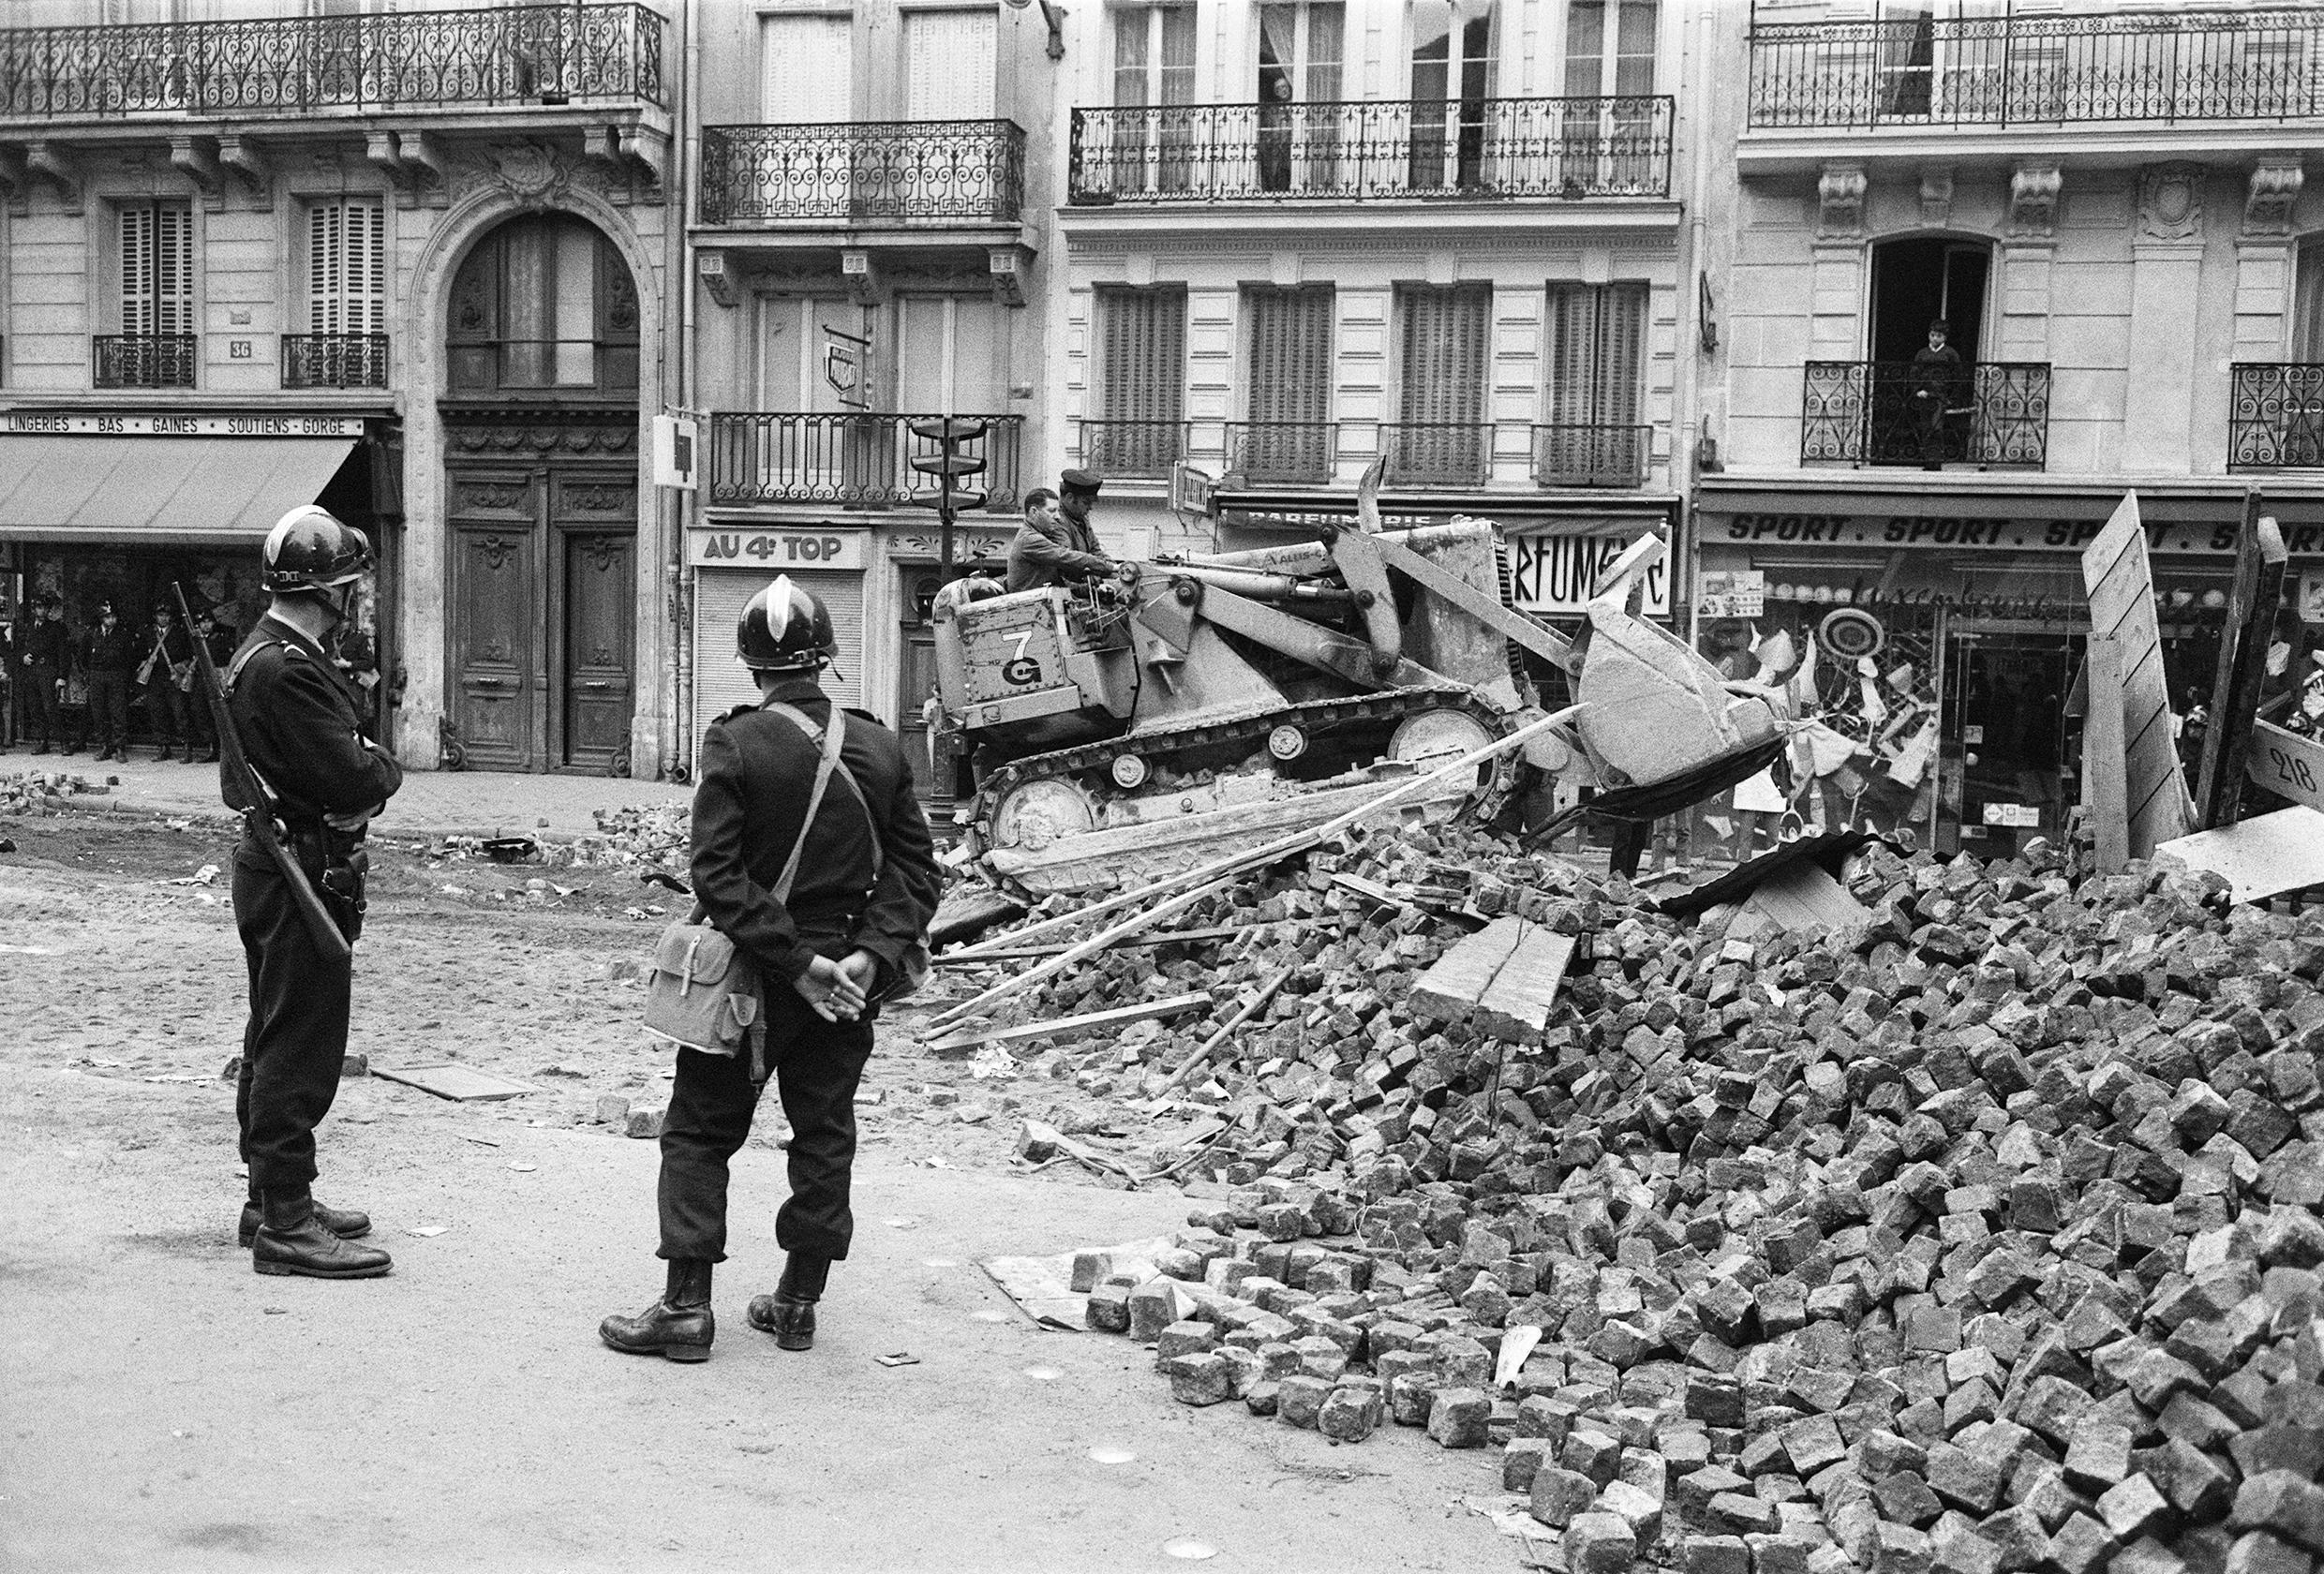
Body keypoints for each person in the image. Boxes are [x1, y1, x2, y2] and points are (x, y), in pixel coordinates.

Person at [602, 575, 941, 1363]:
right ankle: (797, 1304)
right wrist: (867, 954)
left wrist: (798, 963)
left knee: (698, 1132)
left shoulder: (735, 742)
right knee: (824, 1133)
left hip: (755, 979)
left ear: (751, 661)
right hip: (849, 985)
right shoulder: (878, 744)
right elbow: (917, 876)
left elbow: (717, 879)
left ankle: (686, 1311)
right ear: (827, 659)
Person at [226, 506, 404, 1279]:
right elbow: (357, 775)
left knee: (274, 1030)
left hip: (285, 866)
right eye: (350, 585)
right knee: (299, 1043)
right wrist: (376, 767)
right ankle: (286, 1223)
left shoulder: (264, 655)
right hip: (301, 872)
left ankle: (271, 1199)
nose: (357, 597)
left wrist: (361, 769)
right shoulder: (288, 668)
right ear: (328, 593)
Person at [1005, 474, 1116, 593]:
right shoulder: (1029, 539)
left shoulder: (1042, 533)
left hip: (1045, 602)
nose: (1058, 517)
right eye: (1052, 511)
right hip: (1028, 607)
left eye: (1058, 511)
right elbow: (1067, 557)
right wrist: (1112, 567)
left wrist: (1094, 590)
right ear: (1034, 512)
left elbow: (1060, 584)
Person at [76, 599, 137, 762]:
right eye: (107, 617)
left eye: (113, 617)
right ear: (101, 618)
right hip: (97, 675)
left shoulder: (123, 635)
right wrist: (88, 673)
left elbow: (130, 658)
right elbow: (83, 655)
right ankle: (104, 746)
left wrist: (125, 677)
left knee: (118, 712)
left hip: (117, 675)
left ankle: (120, 747)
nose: (111, 620)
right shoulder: (92, 634)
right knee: (98, 712)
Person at [139, 601, 198, 762]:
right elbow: (139, 653)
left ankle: (187, 747)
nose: (163, 618)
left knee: (180, 713)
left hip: (173, 677)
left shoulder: (179, 633)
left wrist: (180, 668)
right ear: (155, 617)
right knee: (157, 712)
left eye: (166, 615)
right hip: (155, 677)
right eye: (160, 615)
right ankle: (163, 747)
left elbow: (189, 655)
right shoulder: (148, 633)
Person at [1909, 319, 1962, 469]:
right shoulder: (1922, 353)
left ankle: (1936, 462)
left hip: (1940, 396)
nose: (1934, 339)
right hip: (1925, 395)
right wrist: (1918, 390)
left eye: (1938, 336)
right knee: (1925, 427)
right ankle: (1928, 461)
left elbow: (1957, 375)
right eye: (1932, 335)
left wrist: (1952, 396)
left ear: (1944, 337)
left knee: (1936, 427)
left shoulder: (1950, 353)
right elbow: (1914, 373)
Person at [18, 596, 68, 755]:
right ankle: (42, 742)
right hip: (31, 673)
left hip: (48, 672)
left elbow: (63, 654)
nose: (42, 611)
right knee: (35, 708)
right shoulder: (28, 628)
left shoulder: (56, 628)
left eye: (45, 608)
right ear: (34, 610)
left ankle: (63, 742)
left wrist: (62, 676)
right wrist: (23, 657)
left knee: (50, 708)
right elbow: (18, 648)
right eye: (39, 608)